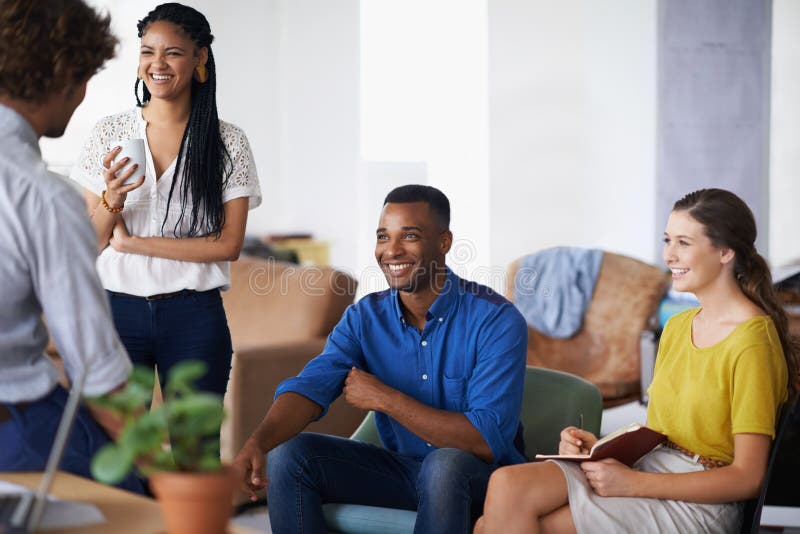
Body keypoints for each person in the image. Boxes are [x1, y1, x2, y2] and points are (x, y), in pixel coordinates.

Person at [475, 188, 798, 534]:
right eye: (667, 240)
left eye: (683, 243)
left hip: (703, 501)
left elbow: (748, 478)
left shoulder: (752, 343)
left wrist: (631, 483)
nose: (669, 255)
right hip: (652, 466)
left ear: (725, 251)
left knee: (503, 525)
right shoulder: (677, 327)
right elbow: (662, 432)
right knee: (507, 486)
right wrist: (599, 448)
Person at [234, 185, 529, 534]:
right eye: (383, 237)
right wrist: (258, 443)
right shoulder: (363, 319)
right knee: (291, 457)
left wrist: (387, 399)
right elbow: (312, 386)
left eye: (410, 236)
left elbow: (483, 440)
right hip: (402, 472)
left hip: (480, 480)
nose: (392, 251)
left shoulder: (496, 320)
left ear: (445, 242)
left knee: (444, 465)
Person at [70, 4, 261, 406]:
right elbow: (88, 244)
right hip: (115, 311)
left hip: (194, 316)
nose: (157, 64)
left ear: (200, 57)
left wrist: (131, 243)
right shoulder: (110, 133)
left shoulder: (229, 143)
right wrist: (112, 200)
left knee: (195, 457)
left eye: (172, 52)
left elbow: (228, 245)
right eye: (147, 51)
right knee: (119, 451)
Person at [0, 0, 144, 493]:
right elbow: (99, 374)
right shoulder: (41, 197)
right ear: (65, 79)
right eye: (85, 79)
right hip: (16, 426)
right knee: (135, 491)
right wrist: (171, 477)